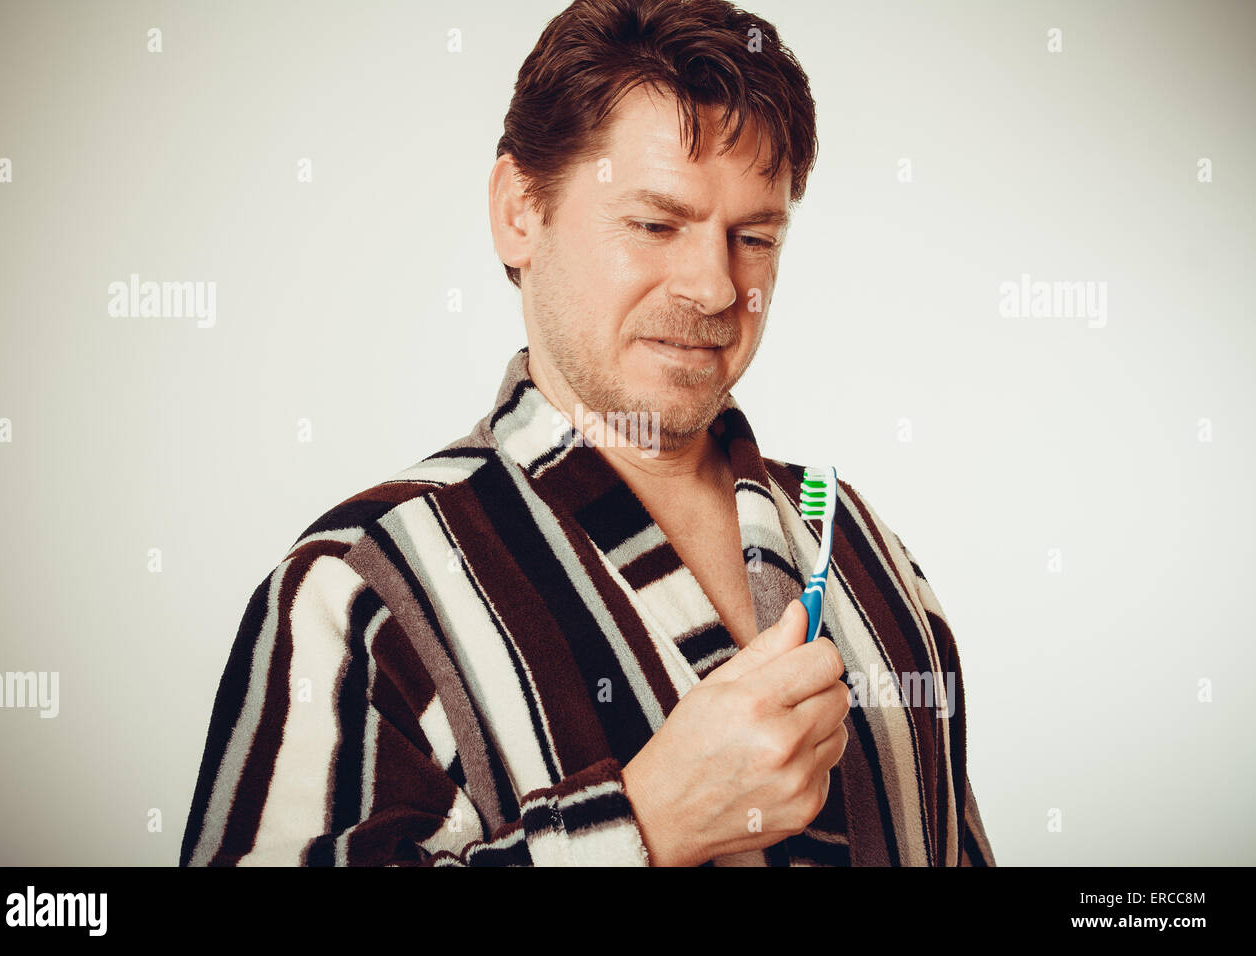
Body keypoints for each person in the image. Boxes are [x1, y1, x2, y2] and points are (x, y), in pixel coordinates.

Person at [180, 0, 995, 867]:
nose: (715, 287)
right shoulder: (356, 593)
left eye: (753, 237)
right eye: (655, 225)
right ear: (519, 212)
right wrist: (645, 825)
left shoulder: (868, 550)